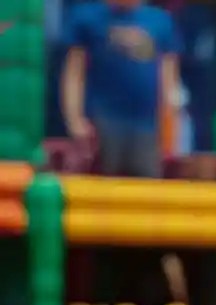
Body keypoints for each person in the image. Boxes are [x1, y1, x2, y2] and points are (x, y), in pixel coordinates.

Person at [61, 0, 182, 178]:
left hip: (147, 125)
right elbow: (73, 74)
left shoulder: (161, 20)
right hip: (102, 120)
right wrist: (74, 119)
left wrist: (171, 125)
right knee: (103, 185)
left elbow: (169, 77)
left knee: (146, 189)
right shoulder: (86, 17)